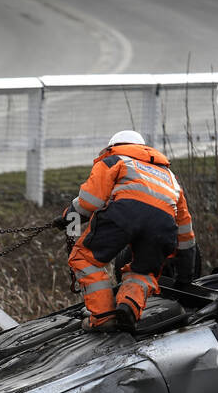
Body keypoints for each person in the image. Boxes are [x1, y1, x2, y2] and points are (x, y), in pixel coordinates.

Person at [65, 129, 196, 332]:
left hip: (124, 215)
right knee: (144, 270)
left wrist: (70, 215)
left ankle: (103, 317)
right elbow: (185, 231)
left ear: (112, 146)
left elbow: (90, 202)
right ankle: (128, 306)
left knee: (84, 258)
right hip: (163, 225)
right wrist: (186, 275)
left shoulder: (114, 159)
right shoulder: (170, 177)